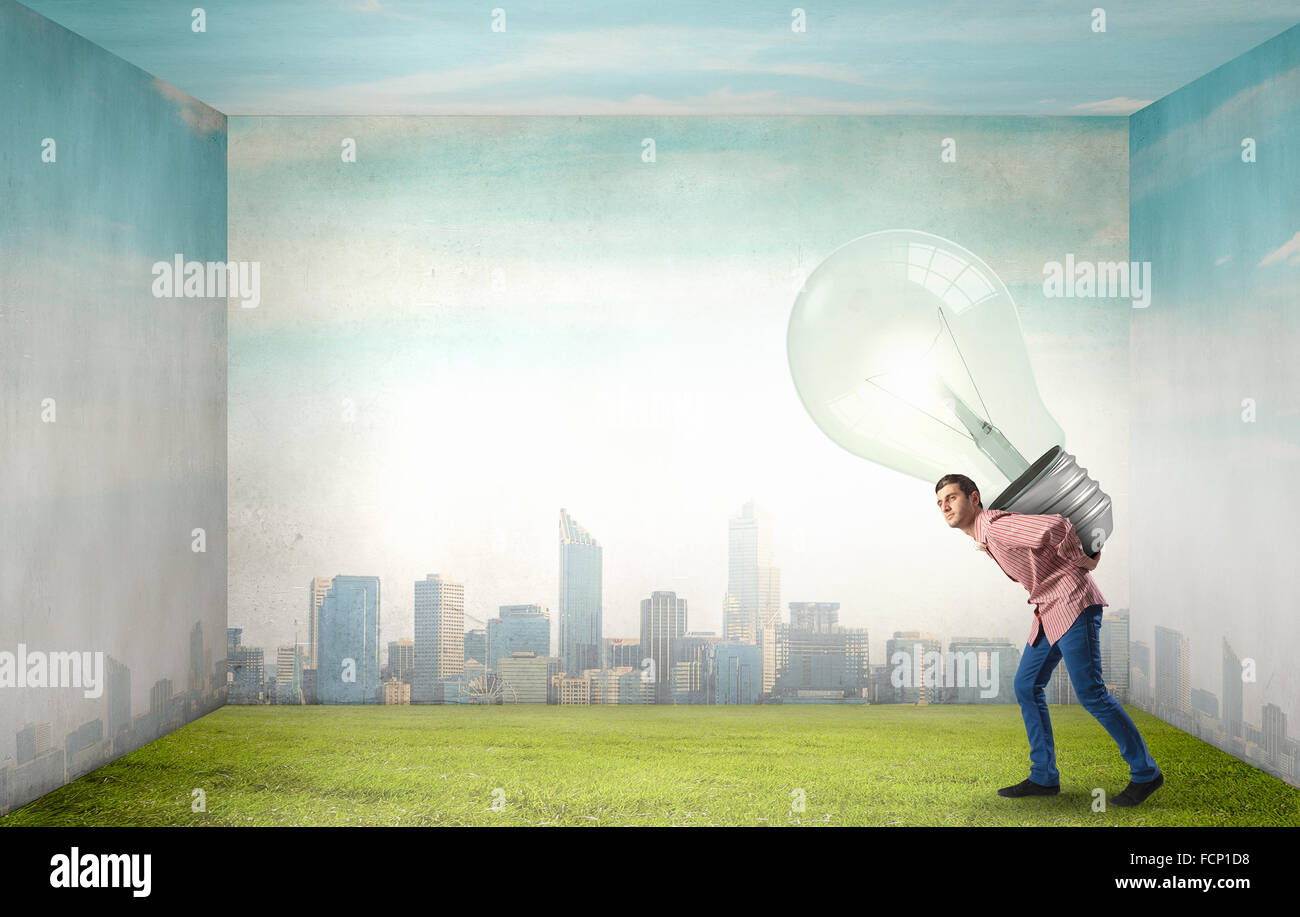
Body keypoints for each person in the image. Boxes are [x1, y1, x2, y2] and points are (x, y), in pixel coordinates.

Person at [935, 473, 1163, 807]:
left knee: (1092, 694)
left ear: (973, 497)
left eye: (951, 498)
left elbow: (1055, 526)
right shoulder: (985, 537)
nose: (945, 507)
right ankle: (1043, 777)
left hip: (1072, 602)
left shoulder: (994, 526)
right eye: (940, 503)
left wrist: (1082, 561)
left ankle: (1146, 774)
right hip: (1049, 610)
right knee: (1026, 686)